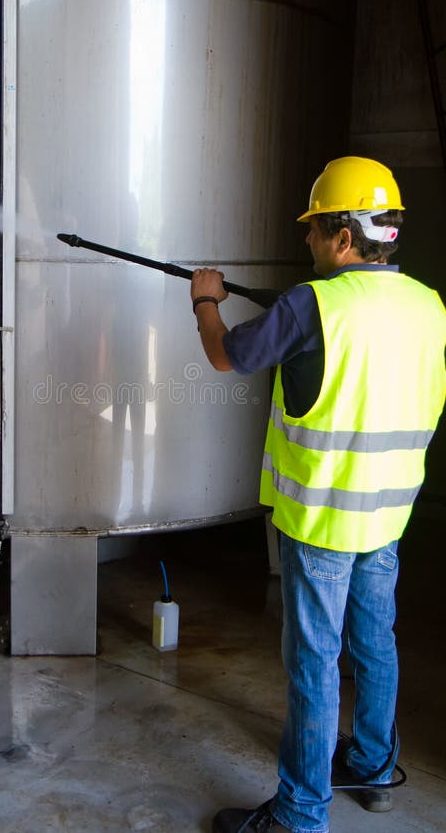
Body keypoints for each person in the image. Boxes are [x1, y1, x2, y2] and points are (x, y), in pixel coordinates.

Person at [190, 156, 446, 833]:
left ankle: (301, 814)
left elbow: (228, 355)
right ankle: (371, 762)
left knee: (313, 661)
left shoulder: (312, 305)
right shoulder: (428, 304)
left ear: (341, 237)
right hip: (388, 515)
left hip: (323, 518)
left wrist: (206, 299)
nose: (304, 241)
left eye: (311, 230)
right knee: (375, 641)